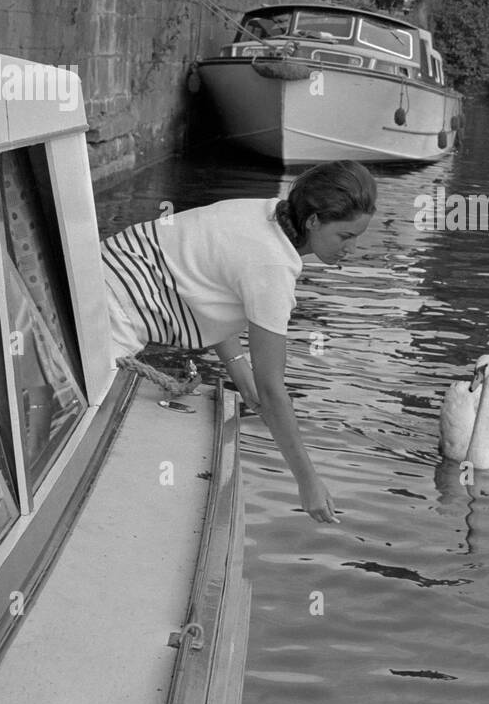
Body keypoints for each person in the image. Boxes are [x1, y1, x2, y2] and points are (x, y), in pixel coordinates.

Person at [99, 161, 377, 524]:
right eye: (345, 236)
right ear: (313, 221)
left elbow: (206, 283)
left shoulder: (263, 212)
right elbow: (273, 387)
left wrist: (239, 371)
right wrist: (307, 480)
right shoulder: (274, 267)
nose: (352, 249)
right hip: (108, 316)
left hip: (99, 273)